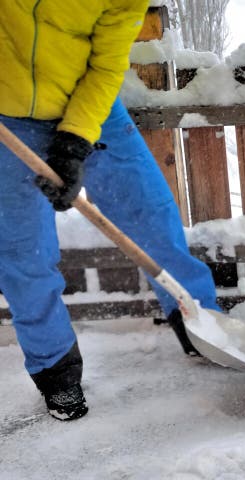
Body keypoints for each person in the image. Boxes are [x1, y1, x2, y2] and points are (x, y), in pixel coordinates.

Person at [0, 1, 220, 421]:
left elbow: (106, 64)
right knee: (21, 252)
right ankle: (55, 370)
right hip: (8, 118)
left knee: (151, 214)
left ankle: (199, 323)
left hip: (88, 102)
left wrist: (73, 142)